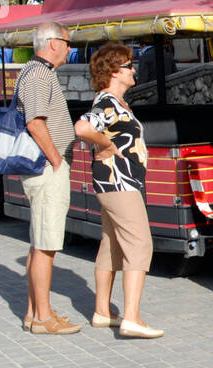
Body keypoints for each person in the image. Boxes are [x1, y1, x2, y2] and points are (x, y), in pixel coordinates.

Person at [75, 42, 161, 339]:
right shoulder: (108, 103)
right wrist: (108, 145)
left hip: (114, 182)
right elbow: (82, 128)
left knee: (111, 244)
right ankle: (132, 318)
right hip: (119, 182)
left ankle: (102, 311)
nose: (133, 69)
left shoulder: (114, 102)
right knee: (139, 244)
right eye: (128, 65)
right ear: (113, 71)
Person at [20, 22, 80, 335]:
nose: (71, 49)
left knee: (40, 244)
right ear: (53, 43)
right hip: (47, 169)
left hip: (45, 168)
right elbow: (34, 121)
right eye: (68, 43)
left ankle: (35, 313)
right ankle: (43, 318)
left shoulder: (38, 72)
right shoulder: (39, 74)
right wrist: (57, 160)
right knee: (46, 245)